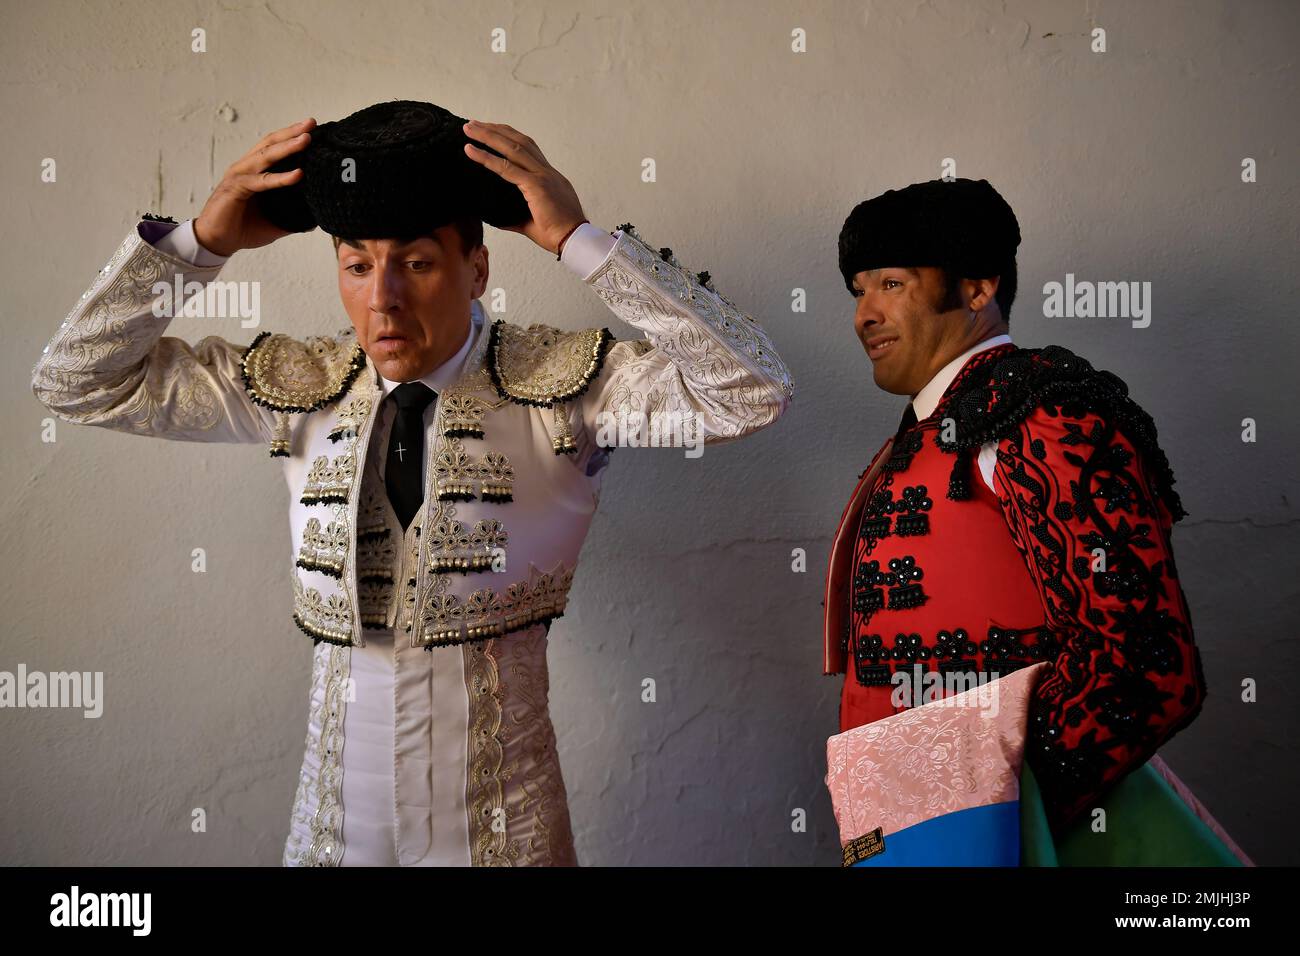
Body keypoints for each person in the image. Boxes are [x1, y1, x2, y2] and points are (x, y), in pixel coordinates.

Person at [31, 99, 794, 866]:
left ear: (478, 267)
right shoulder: (298, 385)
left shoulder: (567, 386)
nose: (383, 298)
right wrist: (197, 246)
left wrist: (579, 242)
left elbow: (751, 389)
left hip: (505, 829)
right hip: (334, 824)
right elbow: (74, 381)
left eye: (418, 263)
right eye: (357, 265)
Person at [822, 177, 1205, 833]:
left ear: (977, 288)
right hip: (908, 822)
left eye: (891, 284)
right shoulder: (929, 430)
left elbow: (1141, 665)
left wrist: (995, 818)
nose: (864, 314)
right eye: (859, 291)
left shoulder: (1044, 411)